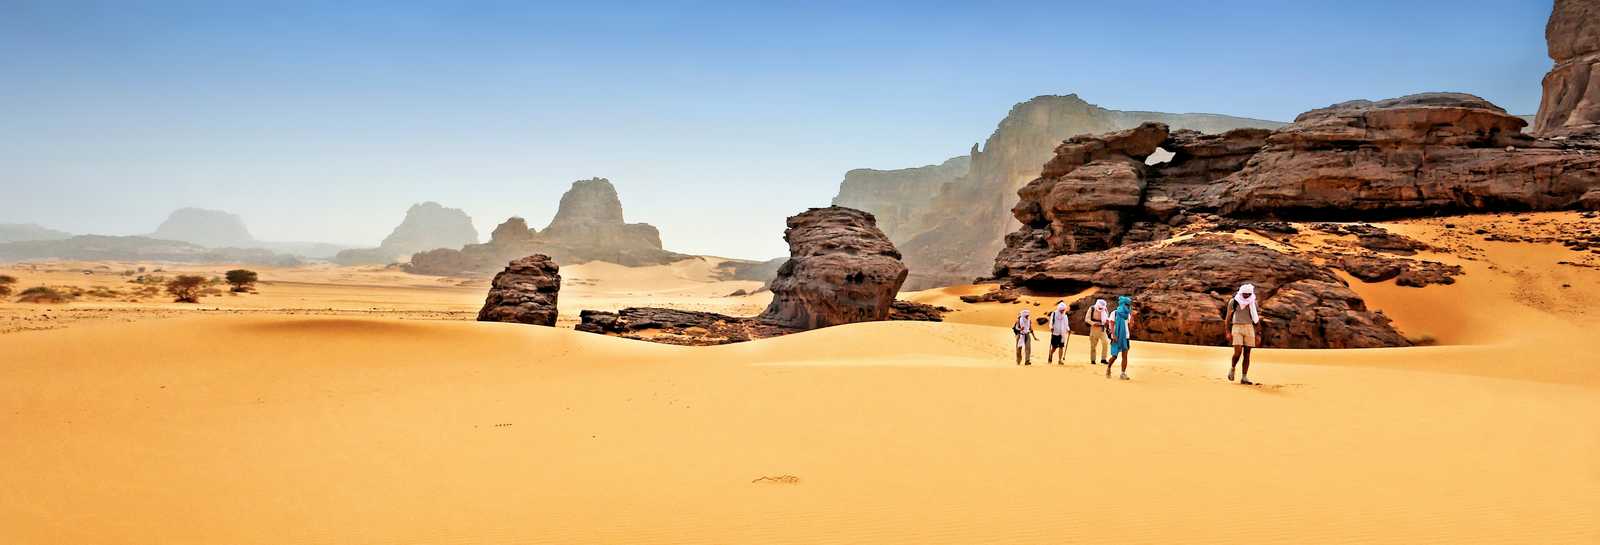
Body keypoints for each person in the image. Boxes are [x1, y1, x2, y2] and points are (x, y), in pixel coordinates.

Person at [1225, 283, 1262, 385]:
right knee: (1237, 352)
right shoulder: (1233, 302)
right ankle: (1232, 368)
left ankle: (1244, 377)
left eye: (1248, 294)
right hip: (1236, 327)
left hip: (1249, 327)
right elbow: (1228, 318)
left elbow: (1256, 318)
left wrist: (1258, 333)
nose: (1246, 295)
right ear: (1241, 292)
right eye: (1244, 293)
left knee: (1247, 353)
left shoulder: (1253, 302)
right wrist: (1227, 332)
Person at [1107, 295, 1134, 380]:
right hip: (1116, 336)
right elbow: (1111, 324)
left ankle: (1123, 373)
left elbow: (1130, 325)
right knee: (1114, 356)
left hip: (1125, 337)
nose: (1128, 306)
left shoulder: (1127, 314)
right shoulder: (1115, 313)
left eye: (1128, 305)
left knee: (1125, 355)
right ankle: (1108, 368)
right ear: (1123, 304)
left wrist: (1132, 316)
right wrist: (1113, 335)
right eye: (1127, 305)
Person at [1085, 299, 1109, 365]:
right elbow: (1087, 319)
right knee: (1093, 346)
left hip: (1102, 329)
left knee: (1106, 342)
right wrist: (1093, 323)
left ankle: (1103, 359)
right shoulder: (1091, 309)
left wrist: (1107, 321)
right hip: (1094, 329)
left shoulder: (1105, 310)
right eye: (1100, 307)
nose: (1101, 308)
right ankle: (1093, 360)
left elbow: (1107, 318)